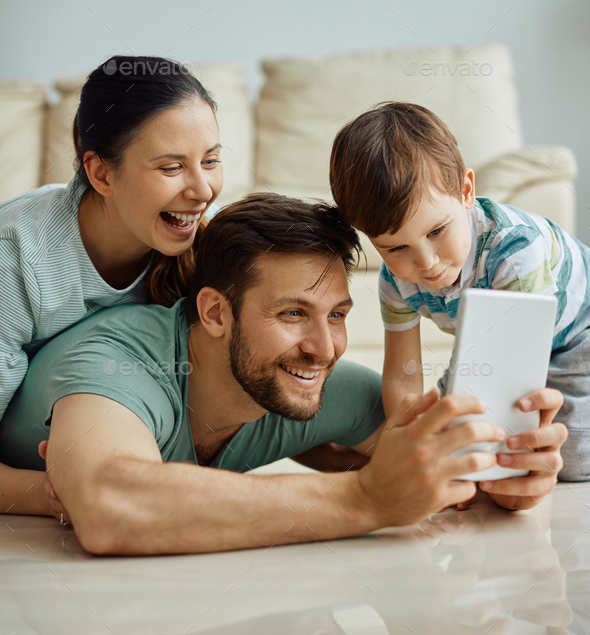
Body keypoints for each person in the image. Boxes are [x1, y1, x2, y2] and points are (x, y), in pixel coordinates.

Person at [0, 195, 566, 555]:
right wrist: (364, 497)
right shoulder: (115, 362)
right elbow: (107, 508)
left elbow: (432, 462)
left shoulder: (313, 385)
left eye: (338, 315)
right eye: (293, 313)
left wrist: (507, 477)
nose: (324, 349)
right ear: (215, 313)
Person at [0, 54, 223, 516]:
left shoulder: (196, 243)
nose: (203, 190)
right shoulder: (18, 258)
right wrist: (61, 491)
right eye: (171, 168)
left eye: (211, 160)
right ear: (102, 173)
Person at [329, 101, 584, 481]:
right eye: (396, 248)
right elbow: (403, 376)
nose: (427, 263)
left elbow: (514, 372)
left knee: (571, 459)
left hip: (578, 334)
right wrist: (408, 445)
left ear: (466, 191)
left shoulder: (515, 254)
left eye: (436, 231)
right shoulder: (394, 282)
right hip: (494, 346)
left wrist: (484, 457)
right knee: (450, 429)